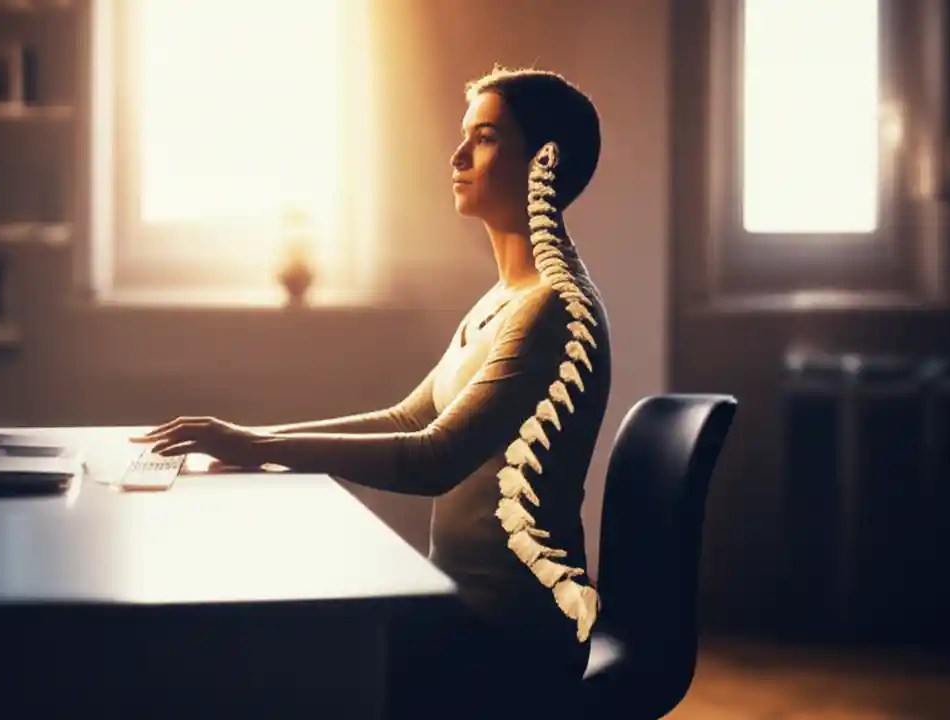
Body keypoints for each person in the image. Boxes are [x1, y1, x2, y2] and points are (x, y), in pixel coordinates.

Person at [132, 66, 611, 717]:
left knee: (268, 653)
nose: (459, 155)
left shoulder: (550, 309)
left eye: (487, 137)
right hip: (465, 613)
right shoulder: (506, 298)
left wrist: (253, 446)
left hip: (508, 640)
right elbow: (410, 416)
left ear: (543, 164)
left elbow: (432, 458)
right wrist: (254, 440)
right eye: (464, 134)